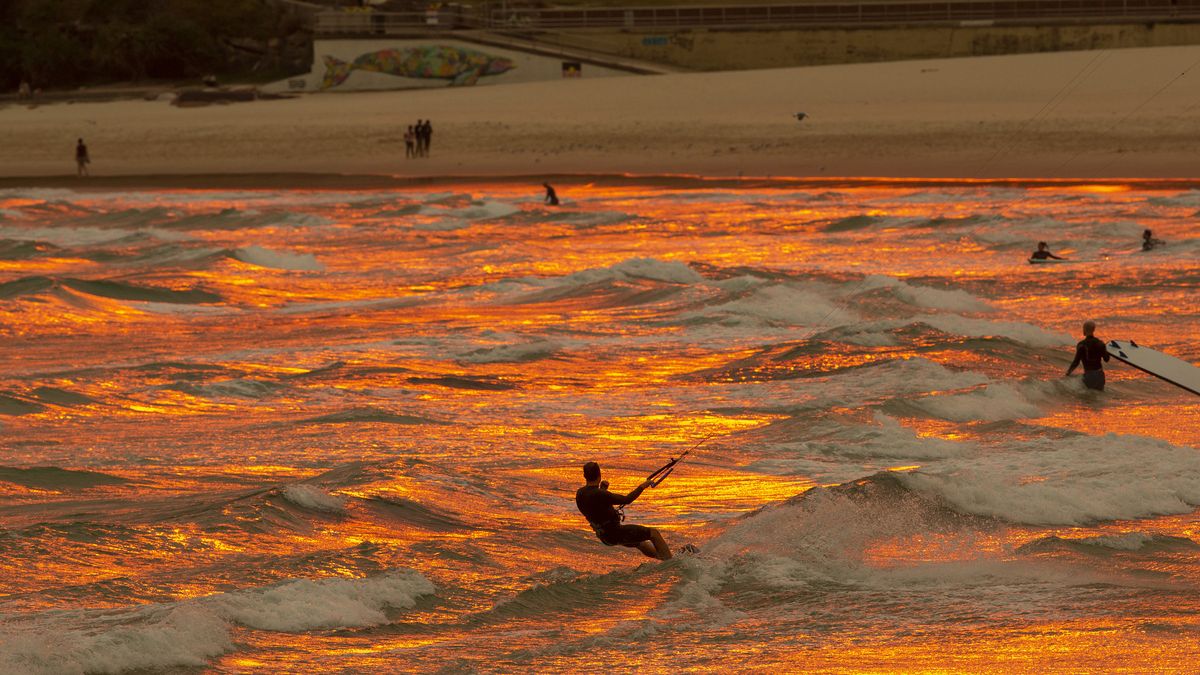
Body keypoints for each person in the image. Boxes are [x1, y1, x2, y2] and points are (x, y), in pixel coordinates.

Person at [575, 461, 672, 560]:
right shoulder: (600, 494)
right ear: (599, 475)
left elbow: (596, 507)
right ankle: (670, 561)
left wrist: (603, 489)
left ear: (584, 476)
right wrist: (642, 486)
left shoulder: (580, 493)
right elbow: (627, 500)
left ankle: (662, 557)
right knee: (653, 533)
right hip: (616, 533)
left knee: (639, 543)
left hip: (604, 536)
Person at [1066, 320, 1110, 391]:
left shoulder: (1081, 345)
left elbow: (1076, 362)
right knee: (1099, 397)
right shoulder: (1100, 344)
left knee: (1088, 399)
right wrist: (1106, 350)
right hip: (1099, 375)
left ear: (1084, 330)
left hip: (1089, 375)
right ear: (1093, 330)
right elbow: (1106, 359)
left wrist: (1068, 373)